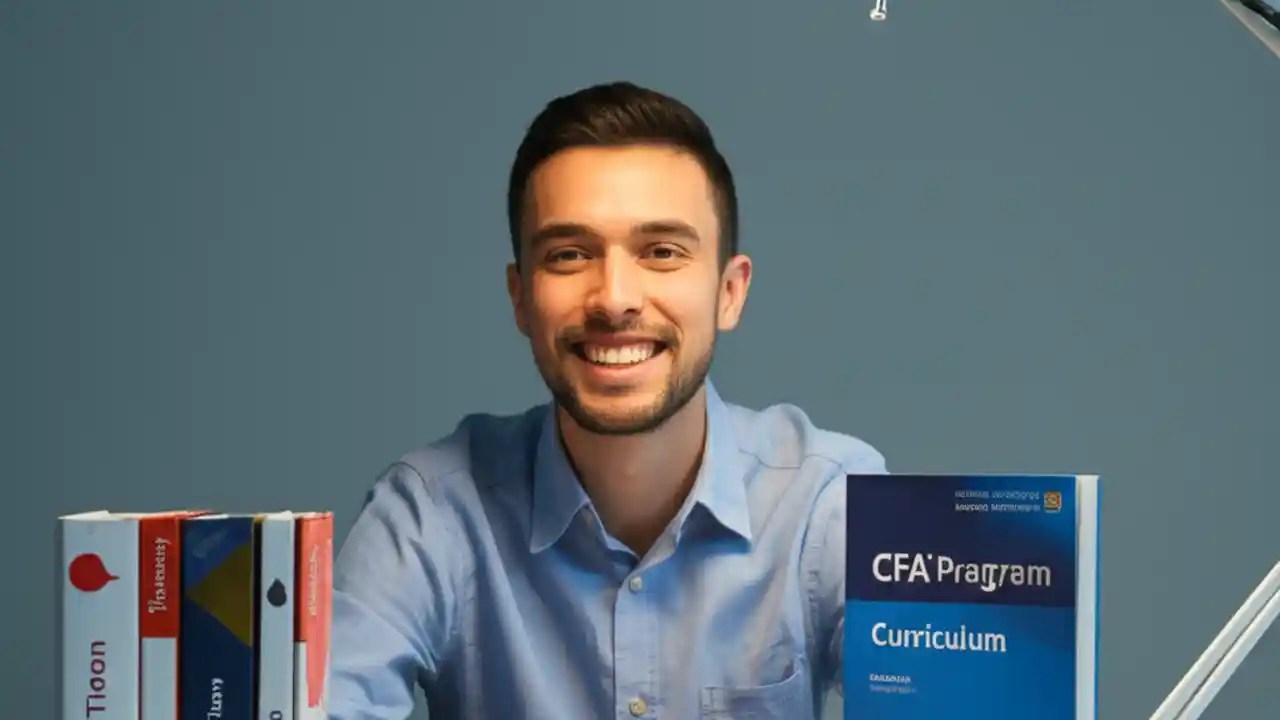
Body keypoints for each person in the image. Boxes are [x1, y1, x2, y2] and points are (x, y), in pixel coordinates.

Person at [327, 80, 887, 720]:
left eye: (662, 252)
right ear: (520, 298)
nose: (615, 298)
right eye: (569, 255)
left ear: (729, 293)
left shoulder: (828, 503)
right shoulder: (432, 510)